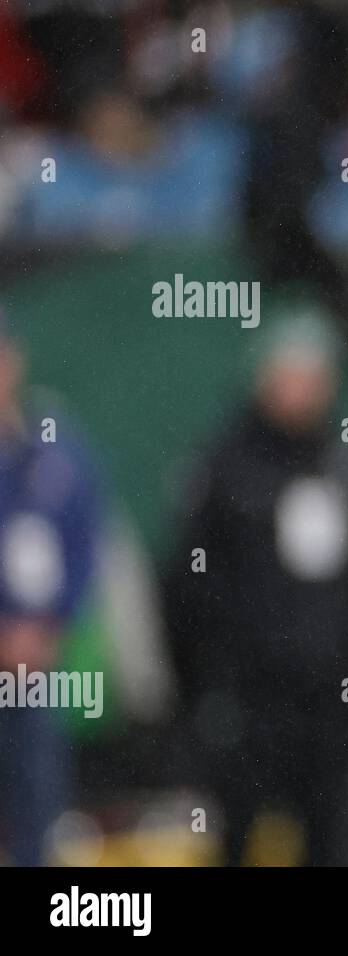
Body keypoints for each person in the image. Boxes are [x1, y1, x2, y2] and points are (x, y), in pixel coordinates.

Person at [165, 314, 348, 865]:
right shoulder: (225, 466)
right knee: (239, 833)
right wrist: (214, 680)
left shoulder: (344, 464)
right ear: (264, 378)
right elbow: (189, 583)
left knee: (329, 832)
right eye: (293, 374)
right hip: (249, 694)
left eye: (317, 376)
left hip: (327, 694)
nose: (306, 390)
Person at [0, 308, 102, 865]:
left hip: (36, 665)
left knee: (38, 801)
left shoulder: (52, 444)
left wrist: (50, 627)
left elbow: (85, 542)